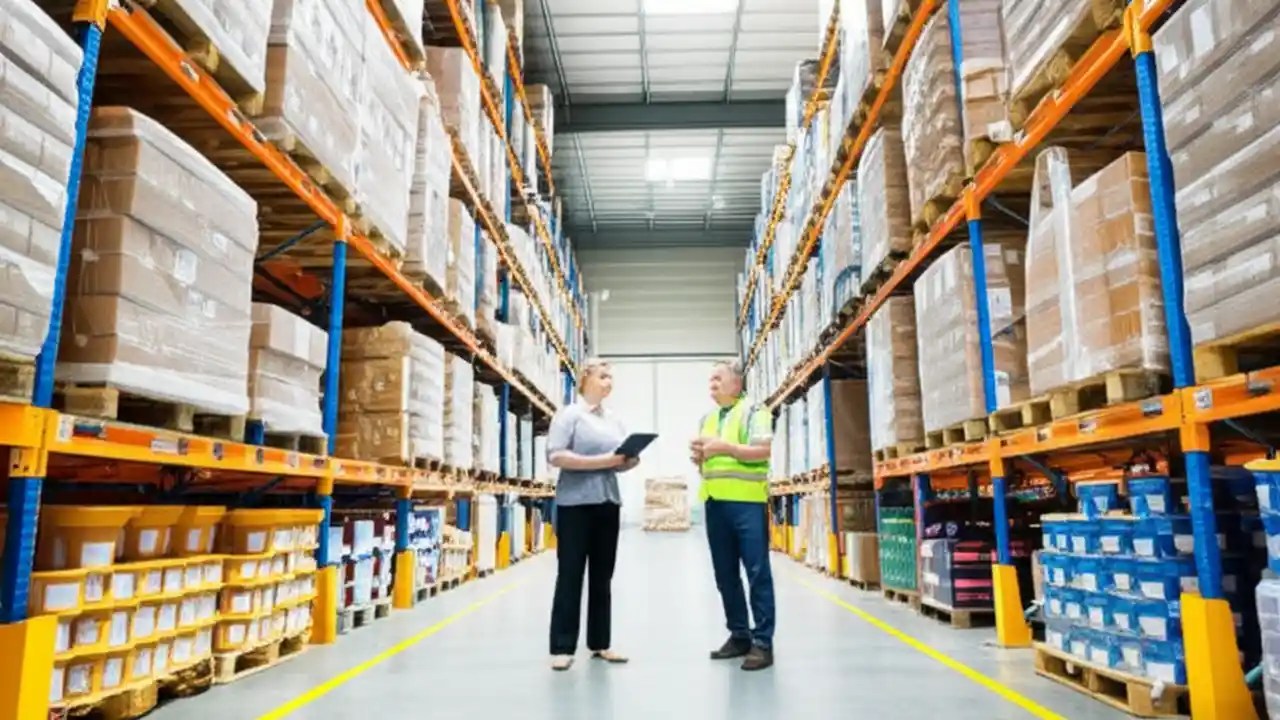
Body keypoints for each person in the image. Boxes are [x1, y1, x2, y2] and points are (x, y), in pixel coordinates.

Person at [545, 358, 637, 671]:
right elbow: (556, 455)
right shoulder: (569, 415)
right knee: (570, 574)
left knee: (603, 576)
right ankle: (561, 647)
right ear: (586, 378)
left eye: (611, 377)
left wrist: (627, 460)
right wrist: (604, 461)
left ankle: (601, 643)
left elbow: (619, 460)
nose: (609, 382)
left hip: (607, 501)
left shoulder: (614, 419)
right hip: (575, 505)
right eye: (603, 376)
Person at [690, 359, 776, 671]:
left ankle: (763, 642)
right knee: (725, 575)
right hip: (715, 504)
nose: (712, 383)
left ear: (736, 384)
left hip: (747, 504)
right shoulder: (707, 418)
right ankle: (739, 634)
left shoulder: (756, 411)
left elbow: (762, 451)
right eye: (710, 379)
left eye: (718, 378)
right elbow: (706, 463)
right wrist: (700, 457)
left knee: (756, 573)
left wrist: (724, 447)